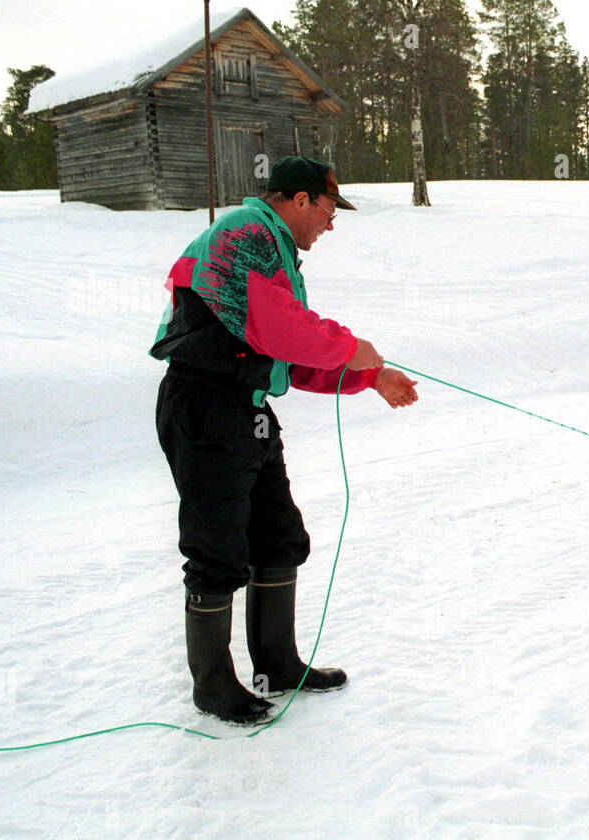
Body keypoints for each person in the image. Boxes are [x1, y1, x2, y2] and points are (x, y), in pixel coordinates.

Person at [151, 156, 418, 724]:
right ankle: (214, 687)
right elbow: (282, 331)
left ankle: (275, 663)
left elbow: (287, 358)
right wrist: (351, 347)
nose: (329, 223)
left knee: (277, 536)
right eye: (327, 211)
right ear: (299, 200)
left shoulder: (275, 247)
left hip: (246, 406)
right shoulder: (245, 236)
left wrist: (370, 377)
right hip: (205, 405)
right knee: (216, 548)